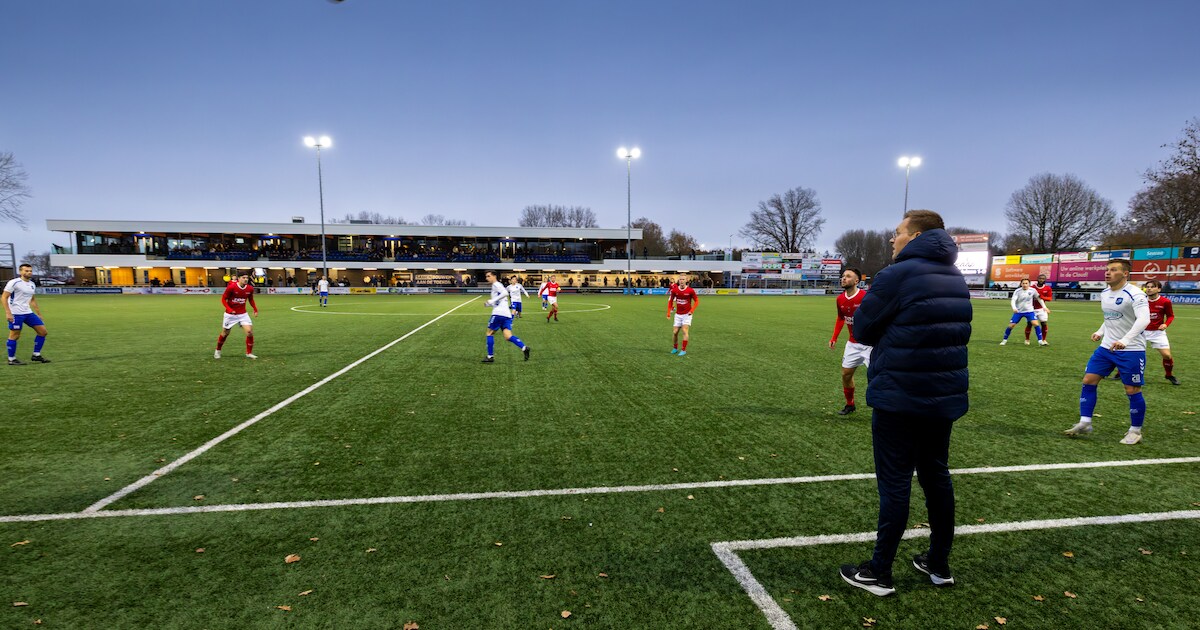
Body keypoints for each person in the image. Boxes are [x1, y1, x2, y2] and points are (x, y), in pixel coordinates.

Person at [838, 210, 971, 597]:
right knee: (936, 476)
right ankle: (938, 563)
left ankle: (879, 572)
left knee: (895, 482)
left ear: (914, 237)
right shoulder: (955, 276)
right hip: (943, 393)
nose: (892, 240)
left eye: (897, 234)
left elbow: (862, 328)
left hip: (900, 393)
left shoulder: (897, 274)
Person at [1064, 259, 1150, 444]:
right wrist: (1100, 331)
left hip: (1131, 349)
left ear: (1125, 274)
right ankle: (1085, 422)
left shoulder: (1135, 294)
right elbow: (1111, 318)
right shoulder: (1105, 293)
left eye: (1113, 270)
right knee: (1089, 380)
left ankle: (1135, 431)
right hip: (1106, 347)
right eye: (1107, 269)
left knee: (1132, 389)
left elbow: (1144, 320)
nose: (1107, 273)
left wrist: (1125, 340)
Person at [830, 267, 870, 415]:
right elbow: (841, 318)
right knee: (846, 374)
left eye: (848, 276)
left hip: (870, 345)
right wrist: (834, 338)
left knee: (876, 377)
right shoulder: (840, 299)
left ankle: (885, 409)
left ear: (856, 281)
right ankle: (850, 404)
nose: (843, 278)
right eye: (843, 276)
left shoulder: (866, 297)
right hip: (853, 343)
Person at [3, 263, 50, 365]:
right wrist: (8, 313)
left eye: (30, 271)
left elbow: (32, 299)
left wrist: (38, 313)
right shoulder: (14, 283)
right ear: (21, 272)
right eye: (26, 271)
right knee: (15, 335)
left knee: (43, 332)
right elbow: (4, 297)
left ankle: (36, 355)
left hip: (28, 312)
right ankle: (11, 359)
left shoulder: (32, 284)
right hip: (16, 313)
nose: (29, 272)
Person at [482, 271, 529, 363]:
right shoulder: (498, 285)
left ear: (494, 276)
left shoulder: (496, 284)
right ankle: (524, 348)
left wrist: (492, 300)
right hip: (506, 314)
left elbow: (505, 293)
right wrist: (489, 304)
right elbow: (501, 299)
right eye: (486, 276)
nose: (487, 278)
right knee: (508, 336)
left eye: (489, 276)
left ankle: (490, 356)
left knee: (489, 333)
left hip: (498, 314)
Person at [1142, 280, 1179, 385]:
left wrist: (1166, 324)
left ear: (1159, 289)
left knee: (1167, 356)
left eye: (1152, 287)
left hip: (1157, 333)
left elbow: (1171, 316)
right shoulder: (1141, 301)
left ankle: (1169, 375)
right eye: (1147, 287)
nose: (1149, 288)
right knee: (1130, 354)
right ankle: (1120, 373)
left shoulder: (1165, 302)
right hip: (1141, 332)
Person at [215, 271, 259, 359]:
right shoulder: (231, 287)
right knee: (225, 333)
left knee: (249, 332)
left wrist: (255, 309)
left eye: (247, 278)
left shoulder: (250, 288)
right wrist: (230, 309)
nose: (246, 279)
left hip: (243, 314)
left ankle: (249, 353)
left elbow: (251, 300)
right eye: (243, 277)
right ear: (238, 278)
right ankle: (218, 350)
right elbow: (223, 299)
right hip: (230, 315)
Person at [1000, 278, 1045, 346]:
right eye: (1023, 283)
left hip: (1029, 311)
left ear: (1029, 284)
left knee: (1035, 324)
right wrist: (1014, 308)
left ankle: (1040, 341)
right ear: (1021, 284)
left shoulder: (1033, 290)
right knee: (1011, 325)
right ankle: (1004, 340)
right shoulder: (1017, 291)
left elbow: (1039, 298)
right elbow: (1013, 300)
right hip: (1019, 311)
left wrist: (1044, 307)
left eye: (1026, 283)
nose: (1025, 285)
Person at [667, 275, 699, 356]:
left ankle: (683, 350)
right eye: (680, 279)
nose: (681, 281)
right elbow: (670, 301)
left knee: (684, 330)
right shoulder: (675, 290)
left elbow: (697, 301)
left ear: (686, 280)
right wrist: (668, 312)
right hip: (678, 314)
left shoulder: (690, 290)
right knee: (675, 332)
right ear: (679, 280)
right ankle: (675, 348)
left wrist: (692, 310)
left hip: (687, 314)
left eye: (683, 279)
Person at [1025, 274, 1053, 343]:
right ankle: (1027, 339)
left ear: (1045, 280)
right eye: (1040, 278)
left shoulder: (1047, 288)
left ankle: (1044, 340)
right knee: (1029, 324)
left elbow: (1049, 298)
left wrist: (1042, 297)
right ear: (1037, 279)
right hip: (1031, 309)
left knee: (1044, 323)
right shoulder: (1032, 288)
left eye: (1043, 279)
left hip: (1041, 309)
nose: (1041, 280)